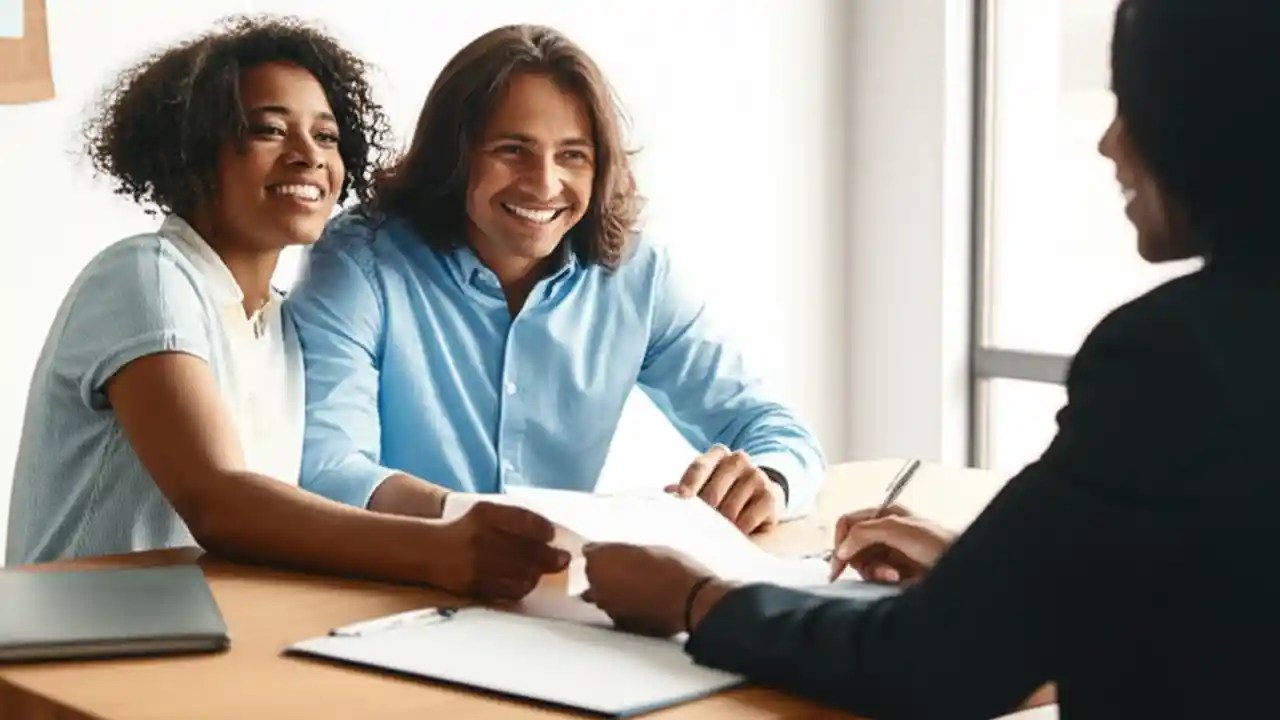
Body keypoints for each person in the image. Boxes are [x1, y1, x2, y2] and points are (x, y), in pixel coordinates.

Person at [578, 0, 1280, 717]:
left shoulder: (1176, 356)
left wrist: (694, 596)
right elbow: (1217, 591)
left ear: (1211, 123)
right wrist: (987, 574)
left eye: (1130, 107)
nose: (1107, 144)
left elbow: (926, 663)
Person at [5, 16, 565, 599]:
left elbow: (311, 495)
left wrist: (480, 520)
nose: (308, 156)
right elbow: (219, 500)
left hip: (203, 639)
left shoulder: (277, 325)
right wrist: (436, 549)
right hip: (72, 648)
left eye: (326, 136)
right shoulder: (146, 274)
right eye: (269, 130)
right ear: (194, 154)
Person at [285, 24, 826, 590]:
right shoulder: (361, 258)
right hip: (389, 588)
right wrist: (467, 523)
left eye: (572, 156)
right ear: (456, 156)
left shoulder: (636, 275)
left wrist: (766, 480)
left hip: (551, 604)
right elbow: (326, 468)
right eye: (512, 150)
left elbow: (776, 430)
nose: (544, 183)